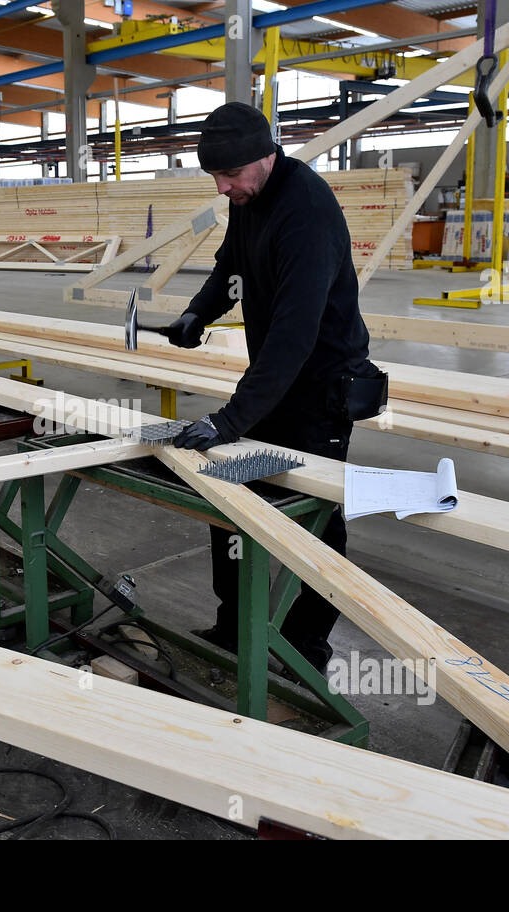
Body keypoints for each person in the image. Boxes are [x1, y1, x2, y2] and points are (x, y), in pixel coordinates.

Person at [166, 102, 387, 673]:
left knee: (314, 519)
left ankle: (305, 649)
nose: (224, 187)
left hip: (320, 387)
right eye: (215, 177)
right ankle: (236, 628)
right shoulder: (248, 198)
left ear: (267, 156)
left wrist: (227, 422)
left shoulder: (306, 211)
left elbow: (294, 335)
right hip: (272, 381)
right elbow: (229, 265)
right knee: (229, 492)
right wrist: (199, 313)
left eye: (232, 175)